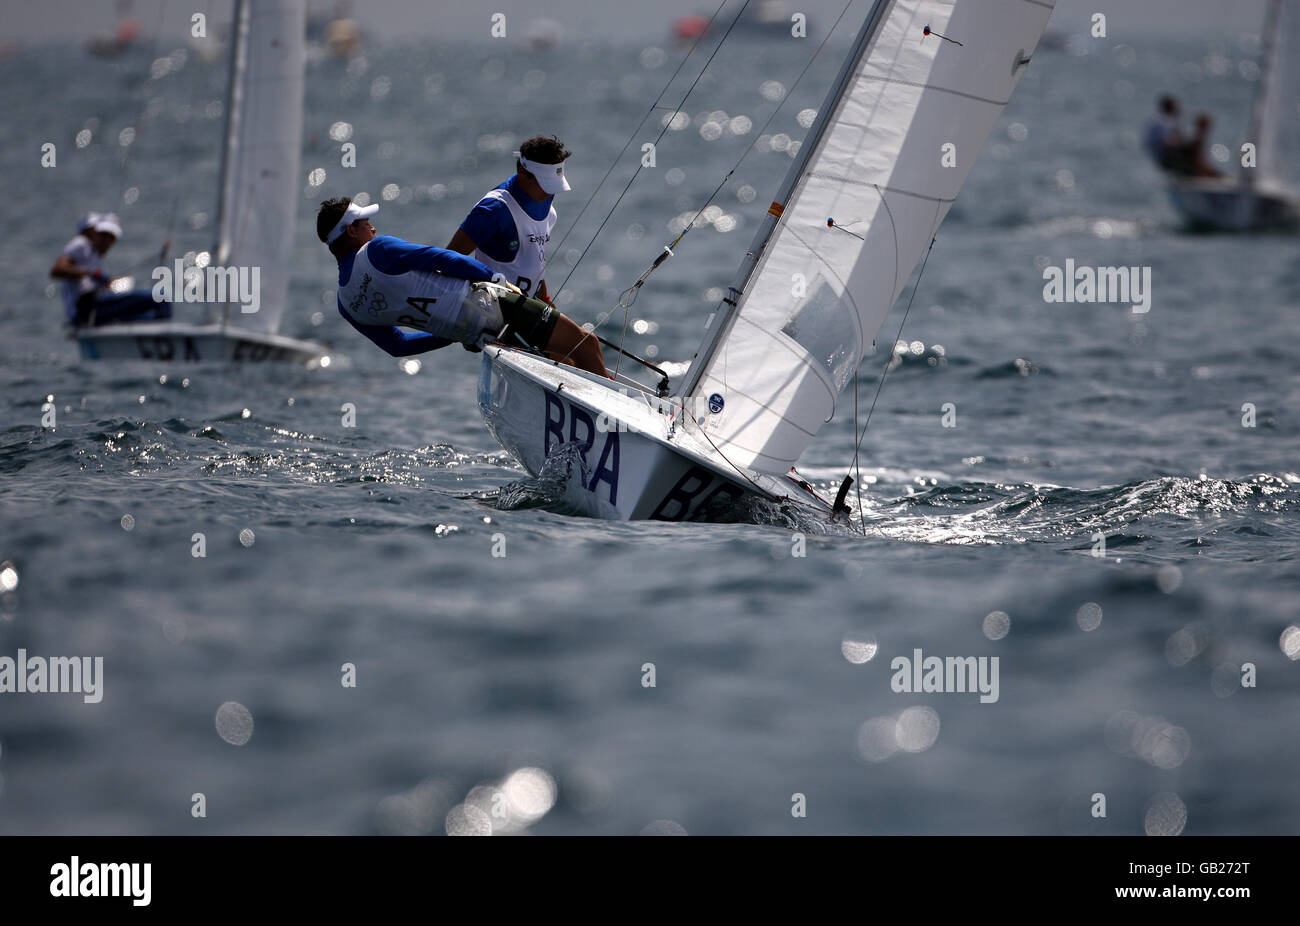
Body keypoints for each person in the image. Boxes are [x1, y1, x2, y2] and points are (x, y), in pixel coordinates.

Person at [318, 197, 609, 376]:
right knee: (586, 344)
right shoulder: (377, 249)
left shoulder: (346, 305)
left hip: (479, 338)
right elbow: (441, 259)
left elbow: (398, 346)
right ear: (350, 230)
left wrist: (456, 334)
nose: (373, 228)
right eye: (366, 222)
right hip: (497, 306)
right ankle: (611, 425)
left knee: (565, 359)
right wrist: (495, 279)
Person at [50, 213, 172, 327]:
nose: (107, 241)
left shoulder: (94, 255)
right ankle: (164, 338)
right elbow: (57, 269)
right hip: (89, 306)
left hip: (91, 308)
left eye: (111, 238)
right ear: (94, 233)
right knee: (161, 297)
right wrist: (90, 273)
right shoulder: (81, 243)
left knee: (146, 318)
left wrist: (104, 282)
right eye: (103, 235)